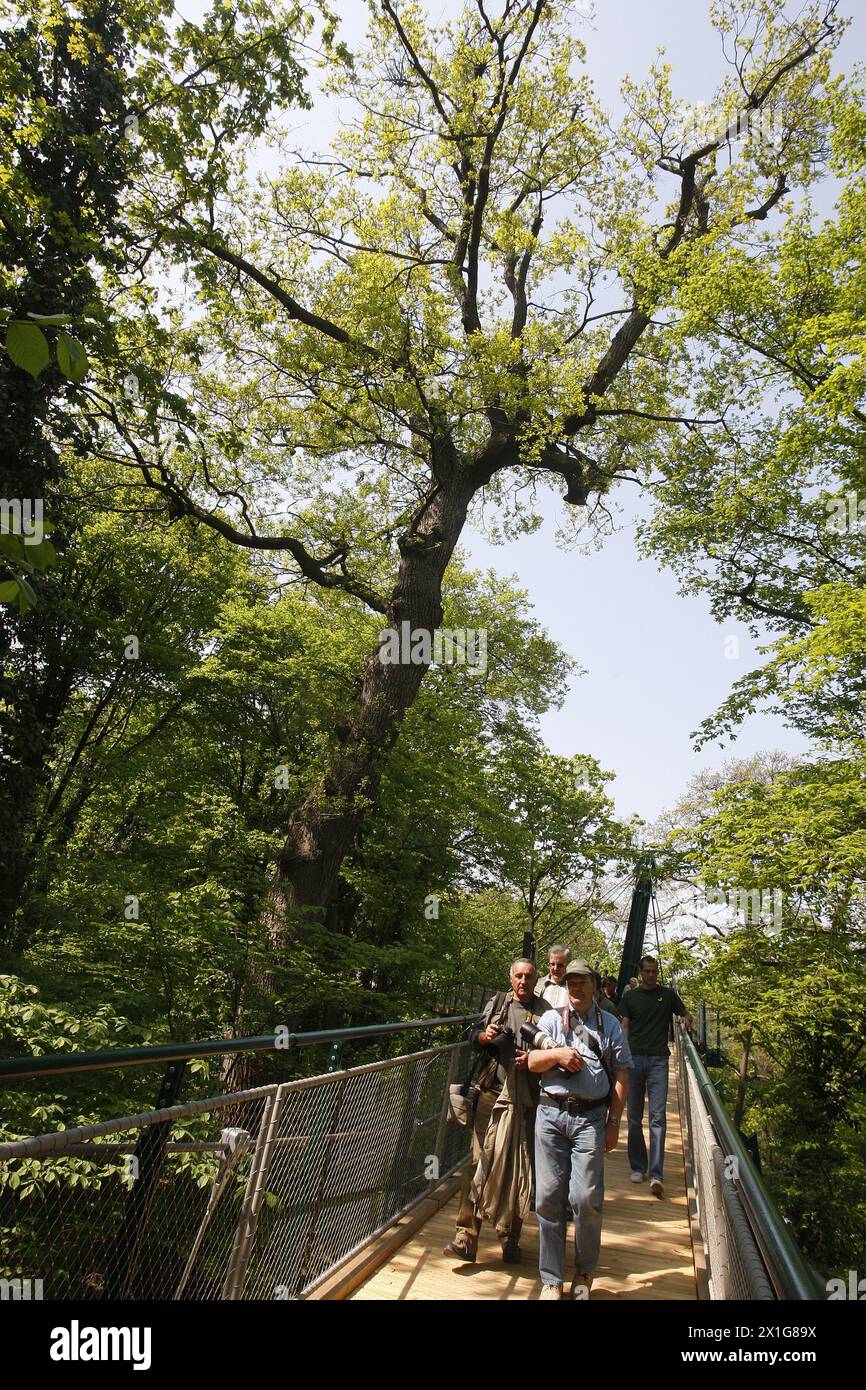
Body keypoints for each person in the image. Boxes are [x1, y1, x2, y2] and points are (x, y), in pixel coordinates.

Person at [528, 958, 632, 1300]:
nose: (574, 986)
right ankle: (551, 1279)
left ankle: (585, 1270)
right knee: (548, 1197)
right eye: (570, 980)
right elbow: (531, 1062)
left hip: (590, 1119)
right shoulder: (551, 1019)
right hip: (550, 1114)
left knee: (585, 1198)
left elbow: (621, 1074)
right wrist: (557, 1054)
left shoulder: (611, 1025)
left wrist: (614, 1122)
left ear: (594, 986)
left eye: (581, 981)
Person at [444, 959, 552, 1264]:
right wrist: (484, 1036)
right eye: (518, 975)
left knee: (518, 1168)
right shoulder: (498, 1004)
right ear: (511, 978)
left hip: (527, 1100)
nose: (523, 981)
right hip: (491, 1094)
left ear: (536, 980)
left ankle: (510, 1238)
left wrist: (536, 1056)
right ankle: (466, 1238)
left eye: (528, 976)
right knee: (479, 1163)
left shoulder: (546, 1013)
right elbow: (471, 1038)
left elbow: (555, 1053)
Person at [619, 955, 688, 1198]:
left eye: (654, 971)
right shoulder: (630, 997)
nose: (650, 975)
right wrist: (623, 1057)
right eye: (647, 971)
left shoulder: (668, 995)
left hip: (659, 1059)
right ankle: (638, 1166)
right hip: (635, 1060)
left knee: (658, 1118)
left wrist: (684, 1020)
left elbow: (684, 1013)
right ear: (640, 972)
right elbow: (624, 1026)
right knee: (635, 1117)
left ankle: (656, 1174)